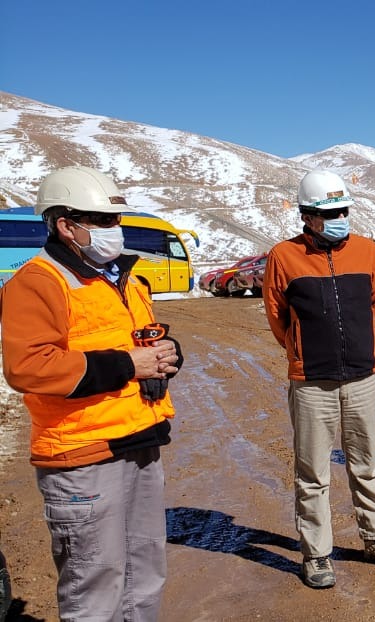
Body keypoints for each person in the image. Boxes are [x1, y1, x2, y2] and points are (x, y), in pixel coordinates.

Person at [0, 166, 183, 620]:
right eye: (103, 221)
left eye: (116, 220)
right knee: (95, 589)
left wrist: (165, 353)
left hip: (140, 441)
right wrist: (127, 365)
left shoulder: (124, 278)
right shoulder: (38, 282)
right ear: (66, 224)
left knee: (144, 577)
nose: (114, 231)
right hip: (82, 456)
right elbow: (28, 367)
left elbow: (137, 339)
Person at [264, 170, 375, 589]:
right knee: (313, 472)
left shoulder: (367, 252)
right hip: (312, 381)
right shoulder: (283, 257)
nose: (339, 218)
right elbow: (277, 315)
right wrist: (300, 350)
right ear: (307, 216)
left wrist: (363, 345)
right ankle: (316, 554)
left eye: (344, 210)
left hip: (364, 377)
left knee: (366, 464)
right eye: (330, 212)